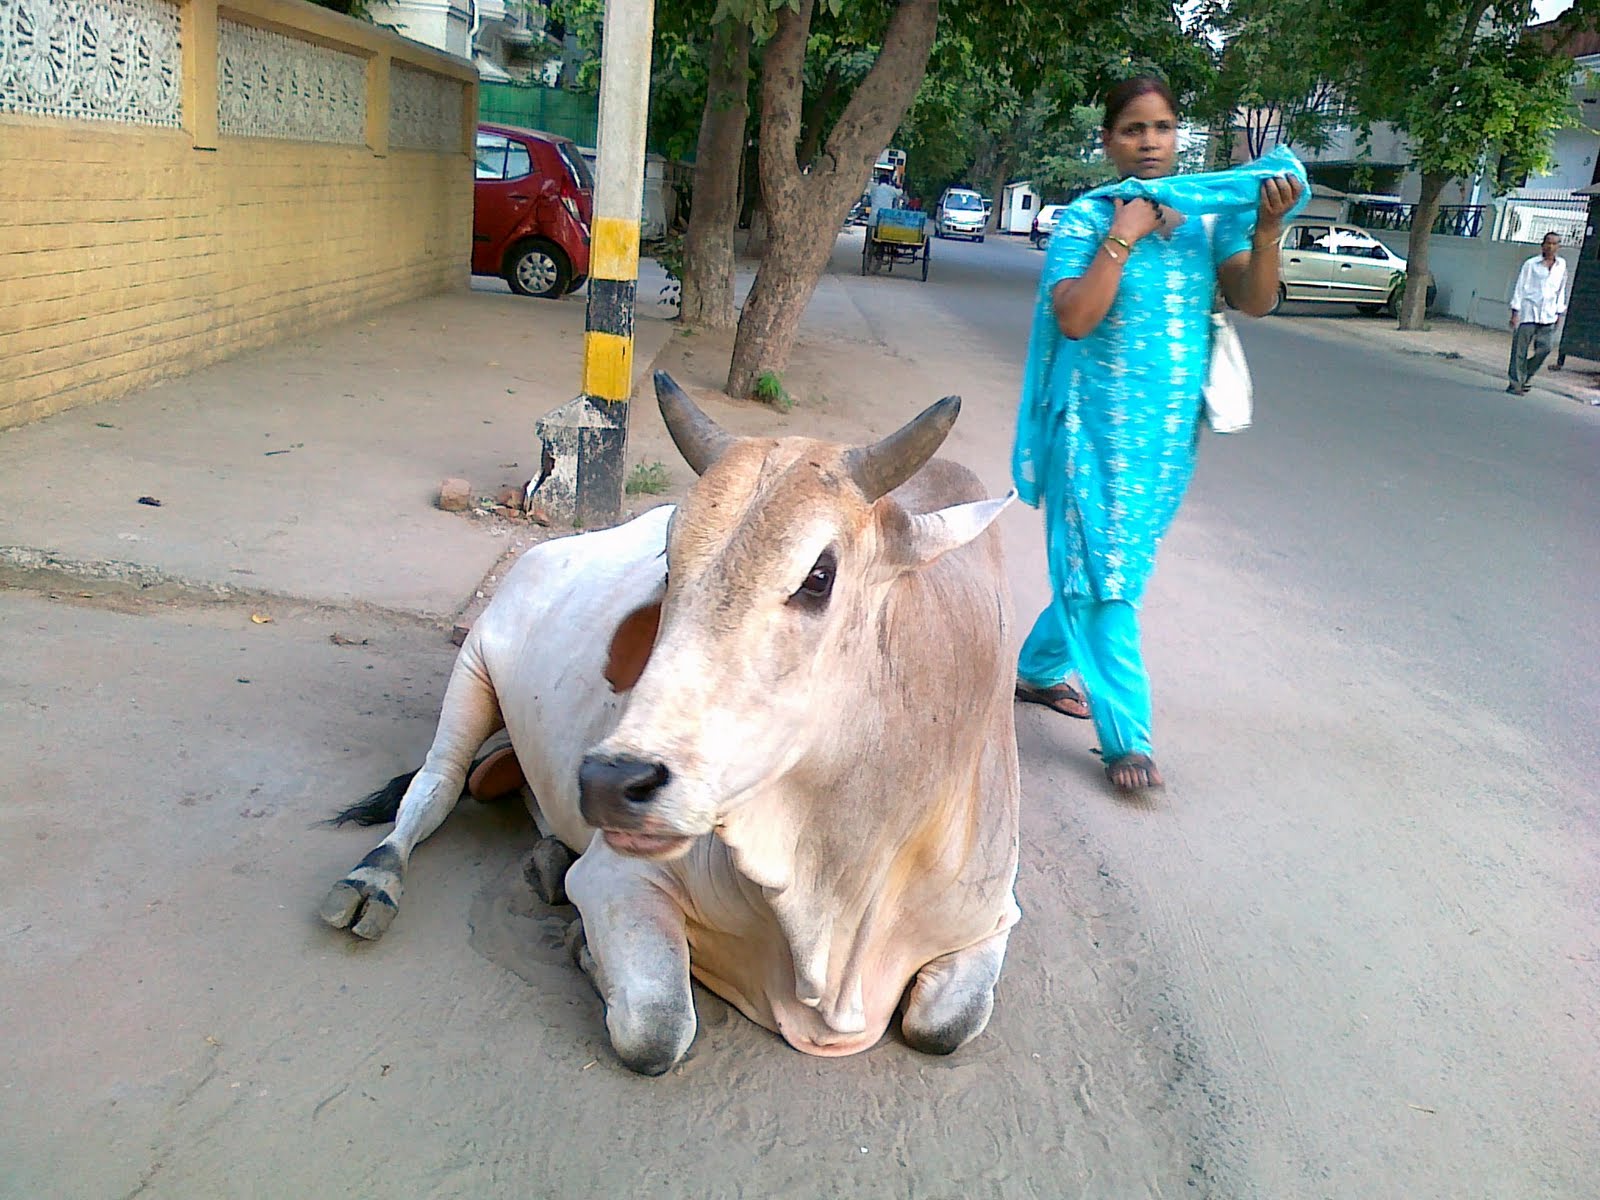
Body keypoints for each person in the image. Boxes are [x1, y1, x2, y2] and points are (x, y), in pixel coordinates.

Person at [1010, 76, 1305, 795]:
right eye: (1133, 129)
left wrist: (1267, 233)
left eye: (1163, 128)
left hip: (1169, 439)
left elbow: (1256, 300)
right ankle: (1126, 739)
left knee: (1113, 565)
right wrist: (1124, 236)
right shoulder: (1086, 220)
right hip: (1092, 427)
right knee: (1109, 579)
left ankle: (1042, 668)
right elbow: (1075, 318)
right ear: (1108, 140)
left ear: (1180, 136)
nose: (1149, 141)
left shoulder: (1210, 221)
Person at [1507, 232, 1568, 395]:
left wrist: (1559, 313)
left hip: (1548, 315)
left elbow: (1560, 290)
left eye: (1555, 244)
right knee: (1519, 351)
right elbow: (1520, 287)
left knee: (1545, 348)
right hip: (1528, 313)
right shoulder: (1531, 264)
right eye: (1548, 243)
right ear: (1542, 245)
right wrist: (1515, 312)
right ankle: (1515, 383)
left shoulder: (1561, 266)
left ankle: (1524, 375)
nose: (1551, 247)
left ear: (1559, 247)